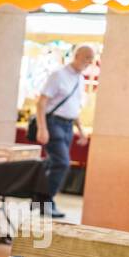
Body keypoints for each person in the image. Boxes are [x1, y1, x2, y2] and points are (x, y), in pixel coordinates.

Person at [34, 43, 95, 219]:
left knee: (53, 163)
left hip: (68, 125)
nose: (89, 62)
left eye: (91, 59)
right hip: (53, 123)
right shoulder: (58, 75)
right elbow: (41, 102)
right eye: (86, 58)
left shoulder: (80, 78)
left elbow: (73, 108)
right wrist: (42, 128)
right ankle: (46, 200)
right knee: (62, 163)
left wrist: (81, 130)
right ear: (76, 56)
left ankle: (39, 197)